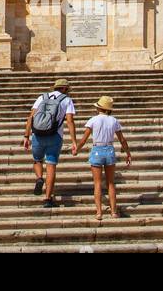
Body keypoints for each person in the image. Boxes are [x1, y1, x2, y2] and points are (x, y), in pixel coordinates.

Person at [75, 95, 132, 220]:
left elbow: (83, 140)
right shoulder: (114, 120)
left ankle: (99, 212)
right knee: (111, 183)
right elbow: (122, 139)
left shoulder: (93, 120)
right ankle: (113, 212)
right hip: (109, 149)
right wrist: (128, 153)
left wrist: (76, 150)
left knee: (97, 183)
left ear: (99, 108)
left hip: (97, 150)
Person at [23, 78, 77, 208]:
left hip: (37, 134)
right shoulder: (66, 100)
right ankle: (47, 199)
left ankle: (39, 178)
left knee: (37, 160)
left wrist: (26, 136)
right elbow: (70, 121)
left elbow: (31, 117)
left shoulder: (42, 97)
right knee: (51, 165)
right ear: (64, 89)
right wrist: (74, 141)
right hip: (55, 136)